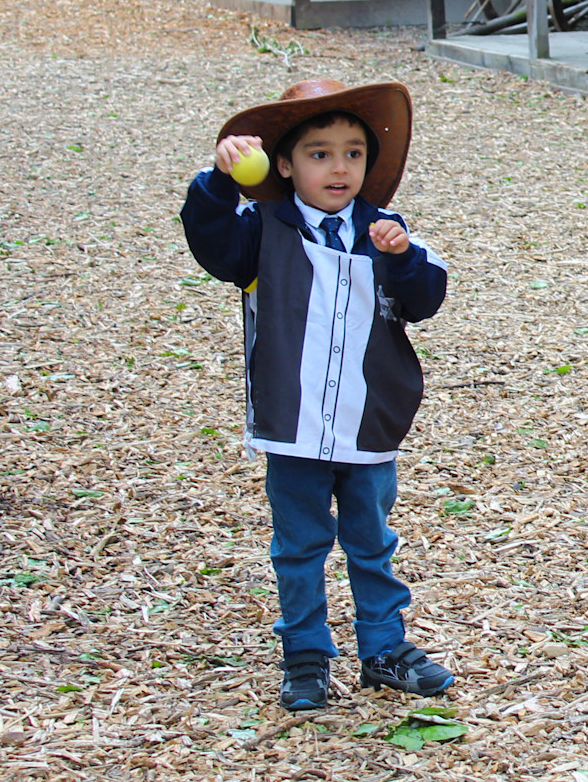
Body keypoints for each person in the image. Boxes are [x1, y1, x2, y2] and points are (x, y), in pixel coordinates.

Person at [181, 78, 453, 711]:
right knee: (299, 546)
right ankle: (305, 654)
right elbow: (208, 238)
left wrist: (403, 258)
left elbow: (425, 298)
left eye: (354, 153)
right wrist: (221, 180)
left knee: (372, 542)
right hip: (294, 420)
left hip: (367, 420)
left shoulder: (385, 231)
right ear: (284, 165)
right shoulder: (259, 231)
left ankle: (384, 648)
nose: (339, 167)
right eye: (320, 153)